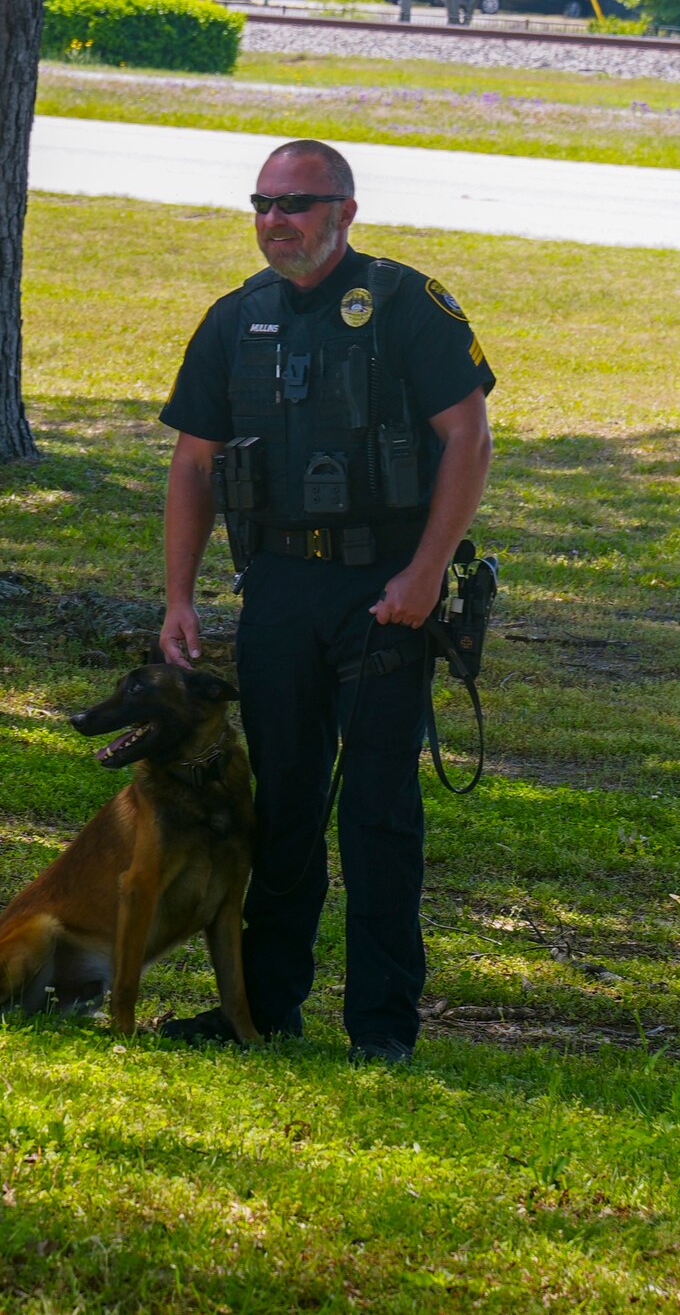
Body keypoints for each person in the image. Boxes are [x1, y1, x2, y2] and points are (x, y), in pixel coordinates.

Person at [154, 139, 494, 1064]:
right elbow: (194, 463)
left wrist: (427, 571)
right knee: (285, 801)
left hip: (383, 592)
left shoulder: (406, 304)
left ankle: (382, 1025)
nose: (276, 221)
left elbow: (468, 438)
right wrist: (179, 596)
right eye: (262, 204)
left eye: (296, 204)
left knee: (378, 808)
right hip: (279, 590)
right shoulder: (237, 318)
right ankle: (264, 1006)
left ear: (345, 211)